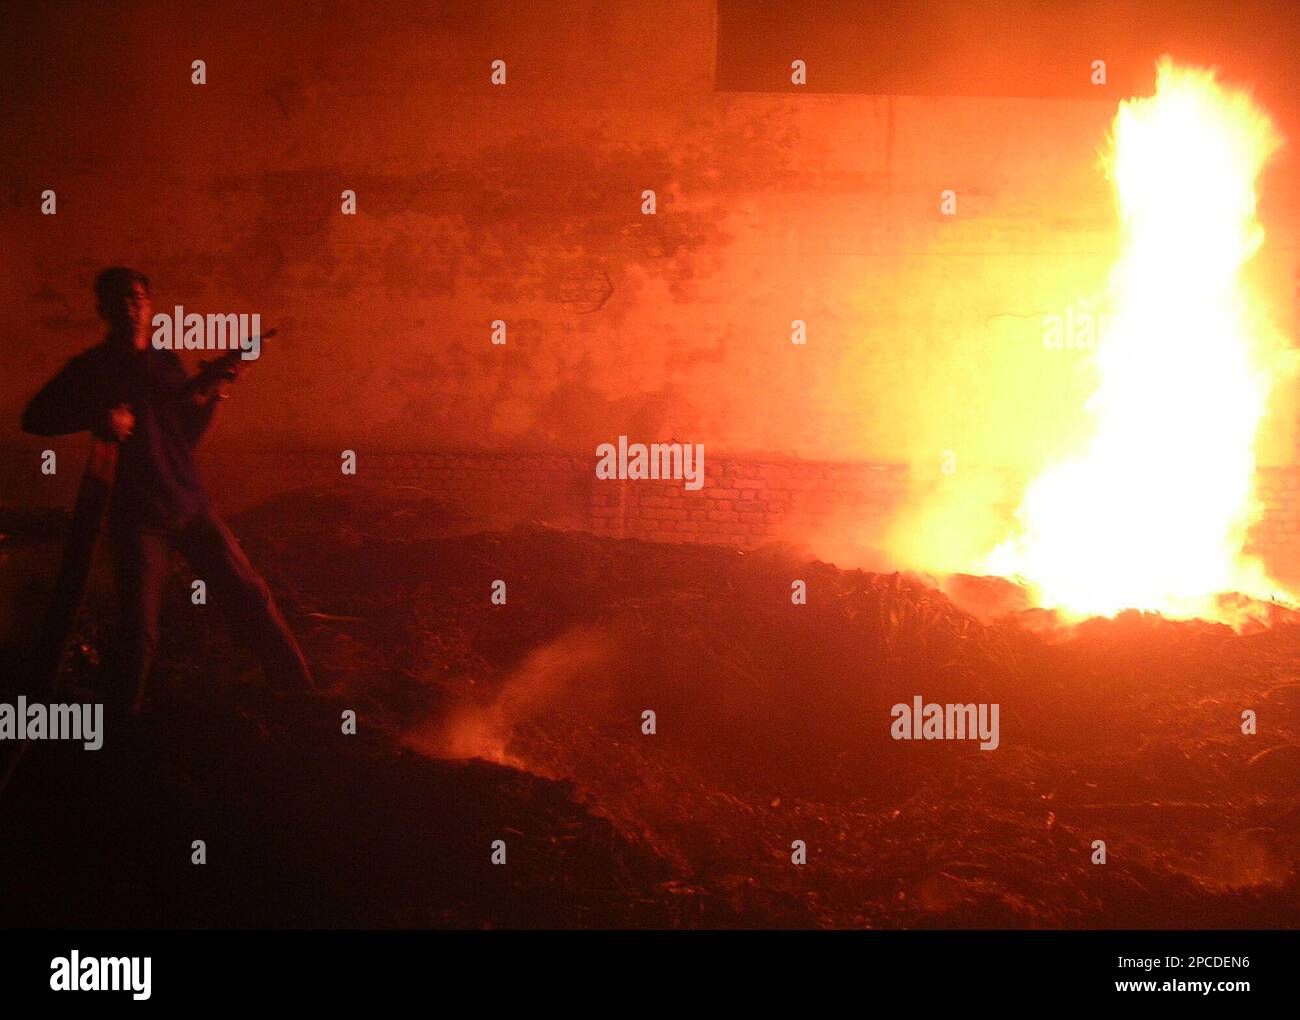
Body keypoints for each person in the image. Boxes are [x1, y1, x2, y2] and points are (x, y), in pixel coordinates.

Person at [21, 267, 312, 715]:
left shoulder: (166, 362)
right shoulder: (90, 369)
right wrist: (98, 416)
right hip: (139, 522)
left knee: (251, 598)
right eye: (119, 299)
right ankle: (122, 726)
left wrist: (216, 391)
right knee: (140, 631)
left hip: (192, 507)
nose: (130, 306)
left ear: (150, 305)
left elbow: (186, 438)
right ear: (103, 309)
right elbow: (35, 418)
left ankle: (301, 697)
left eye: (138, 297)